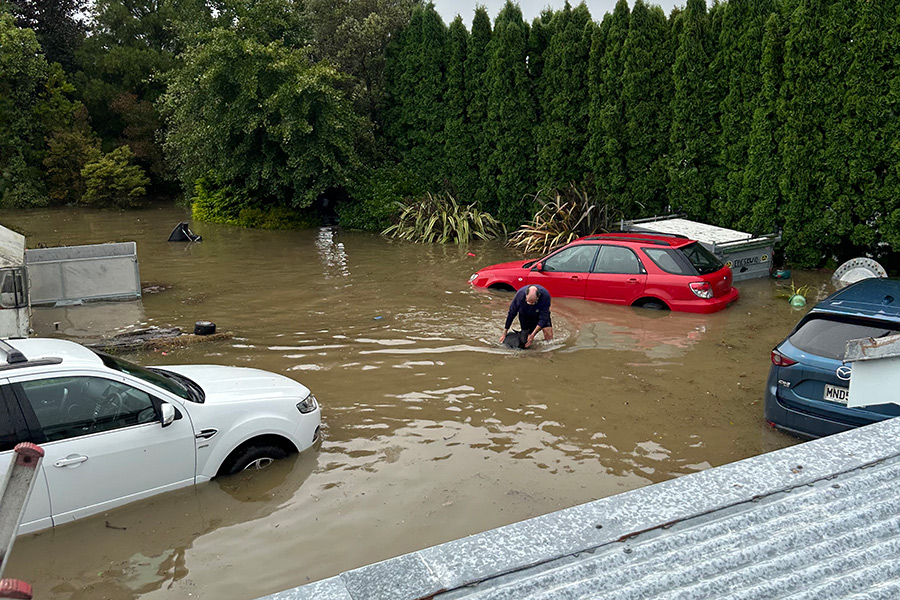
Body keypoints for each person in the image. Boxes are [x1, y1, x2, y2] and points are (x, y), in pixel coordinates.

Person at [500, 284, 553, 349]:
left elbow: (544, 318)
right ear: (526, 296)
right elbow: (511, 314)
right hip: (525, 314)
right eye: (528, 302)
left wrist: (533, 335)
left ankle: (547, 353)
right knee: (525, 341)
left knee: (549, 336)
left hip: (539, 312)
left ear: (538, 297)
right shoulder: (520, 296)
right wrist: (504, 333)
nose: (530, 304)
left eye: (533, 302)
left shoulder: (545, 296)